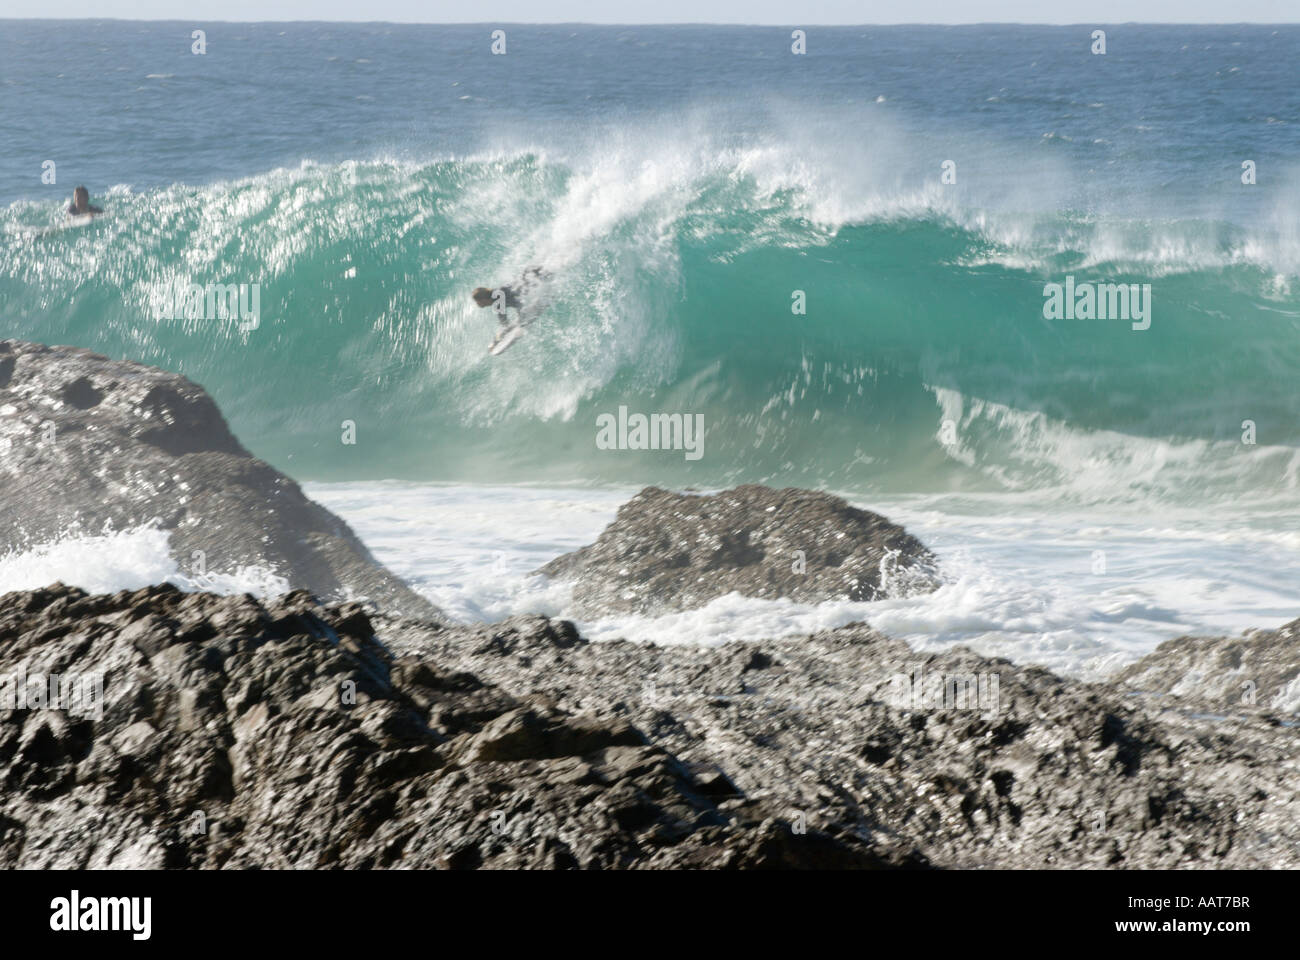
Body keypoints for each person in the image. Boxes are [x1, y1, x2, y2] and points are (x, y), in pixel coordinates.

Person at [472, 266, 548, 328]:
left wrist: (522, 319)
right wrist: (505, 329)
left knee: (548, 274)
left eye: (478, 301)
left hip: (532, 275)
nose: (478, 304)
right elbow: (503, 319)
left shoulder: (499, 297)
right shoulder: (497, 300)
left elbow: (519, 303)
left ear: (483, 299)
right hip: (530, 276)